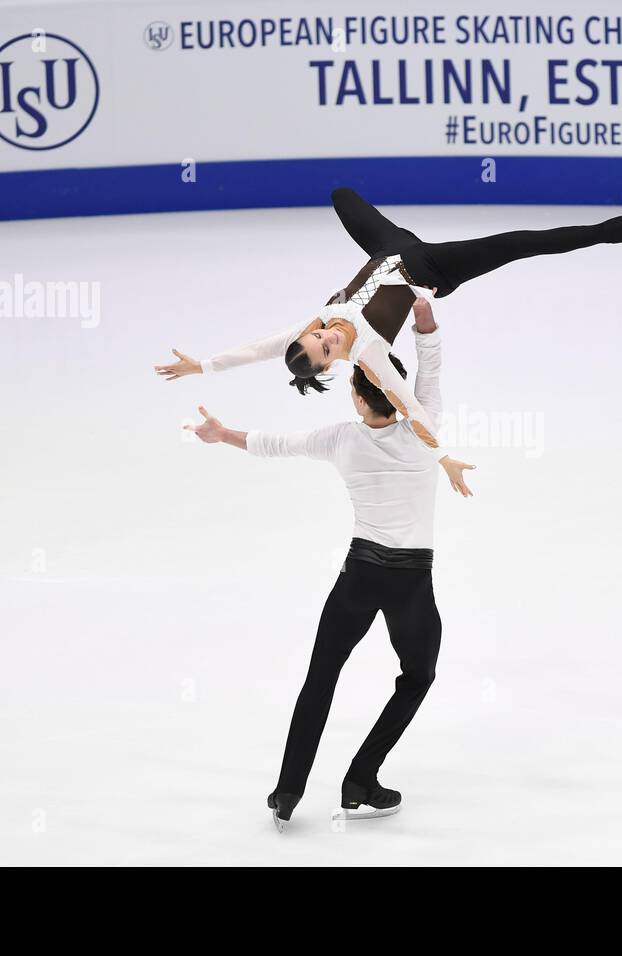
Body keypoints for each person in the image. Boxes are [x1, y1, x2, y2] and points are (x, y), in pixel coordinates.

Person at [185, 297, 472, 831]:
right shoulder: (422, 429)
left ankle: (288, 791)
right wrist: (425, 326)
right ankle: (361, 778)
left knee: (321, 676)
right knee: (418, 675)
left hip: (358, 577)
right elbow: (429, 372)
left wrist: (223, 434)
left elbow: (275, 443)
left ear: (361, 403)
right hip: (411, 582)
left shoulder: (342, 439)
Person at [157, 187, 622, 459]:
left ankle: (621, 228)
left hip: (389, 245)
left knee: (341, 194)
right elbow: (412, 406)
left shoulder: (316, 321)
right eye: (326, 350)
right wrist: (440, 457)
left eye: (317, 338)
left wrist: (202, 365)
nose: (327, 337)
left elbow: (260, 348)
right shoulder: (370, 355)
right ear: (333, 364)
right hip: (433, 267)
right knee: (519, 243)